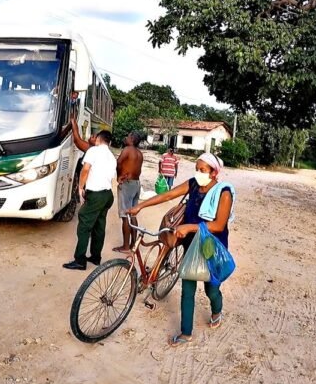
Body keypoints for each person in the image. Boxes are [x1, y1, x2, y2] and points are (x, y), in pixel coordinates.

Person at [128, 153, 234, 347]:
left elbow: (218, 225)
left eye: (203, 170)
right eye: (197, 168)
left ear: (214, 172)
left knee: (211, 289)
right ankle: (186, 332)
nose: (198, 173)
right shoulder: (193, 184)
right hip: (191, 244)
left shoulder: (223, 193)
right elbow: (168, 194)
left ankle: (217, 311)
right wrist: (140, 206)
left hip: (211, 246)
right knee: (188, 288)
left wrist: (189, 227)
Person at [63, 130, 117, 271]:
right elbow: (111, 177)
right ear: (109, 142)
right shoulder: (112, 157)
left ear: (98, 139)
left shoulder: (93, 151)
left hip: (96, 194)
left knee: (84, 224)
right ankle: (95, 257)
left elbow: (85, 170)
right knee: (99, 225)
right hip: (107, 195)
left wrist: (80, 188)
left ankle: (80, 260)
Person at [113, 132, 144, 253]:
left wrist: (119, 176)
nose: (125, 137)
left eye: (128, 136)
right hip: (136, 183)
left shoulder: (127, 149)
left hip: (127, 183)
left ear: (132, 139)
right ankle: (133, 244)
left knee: (125, 215)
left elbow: (119, 162)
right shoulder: (139, 153)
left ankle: (125, 246)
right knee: (133, 214)